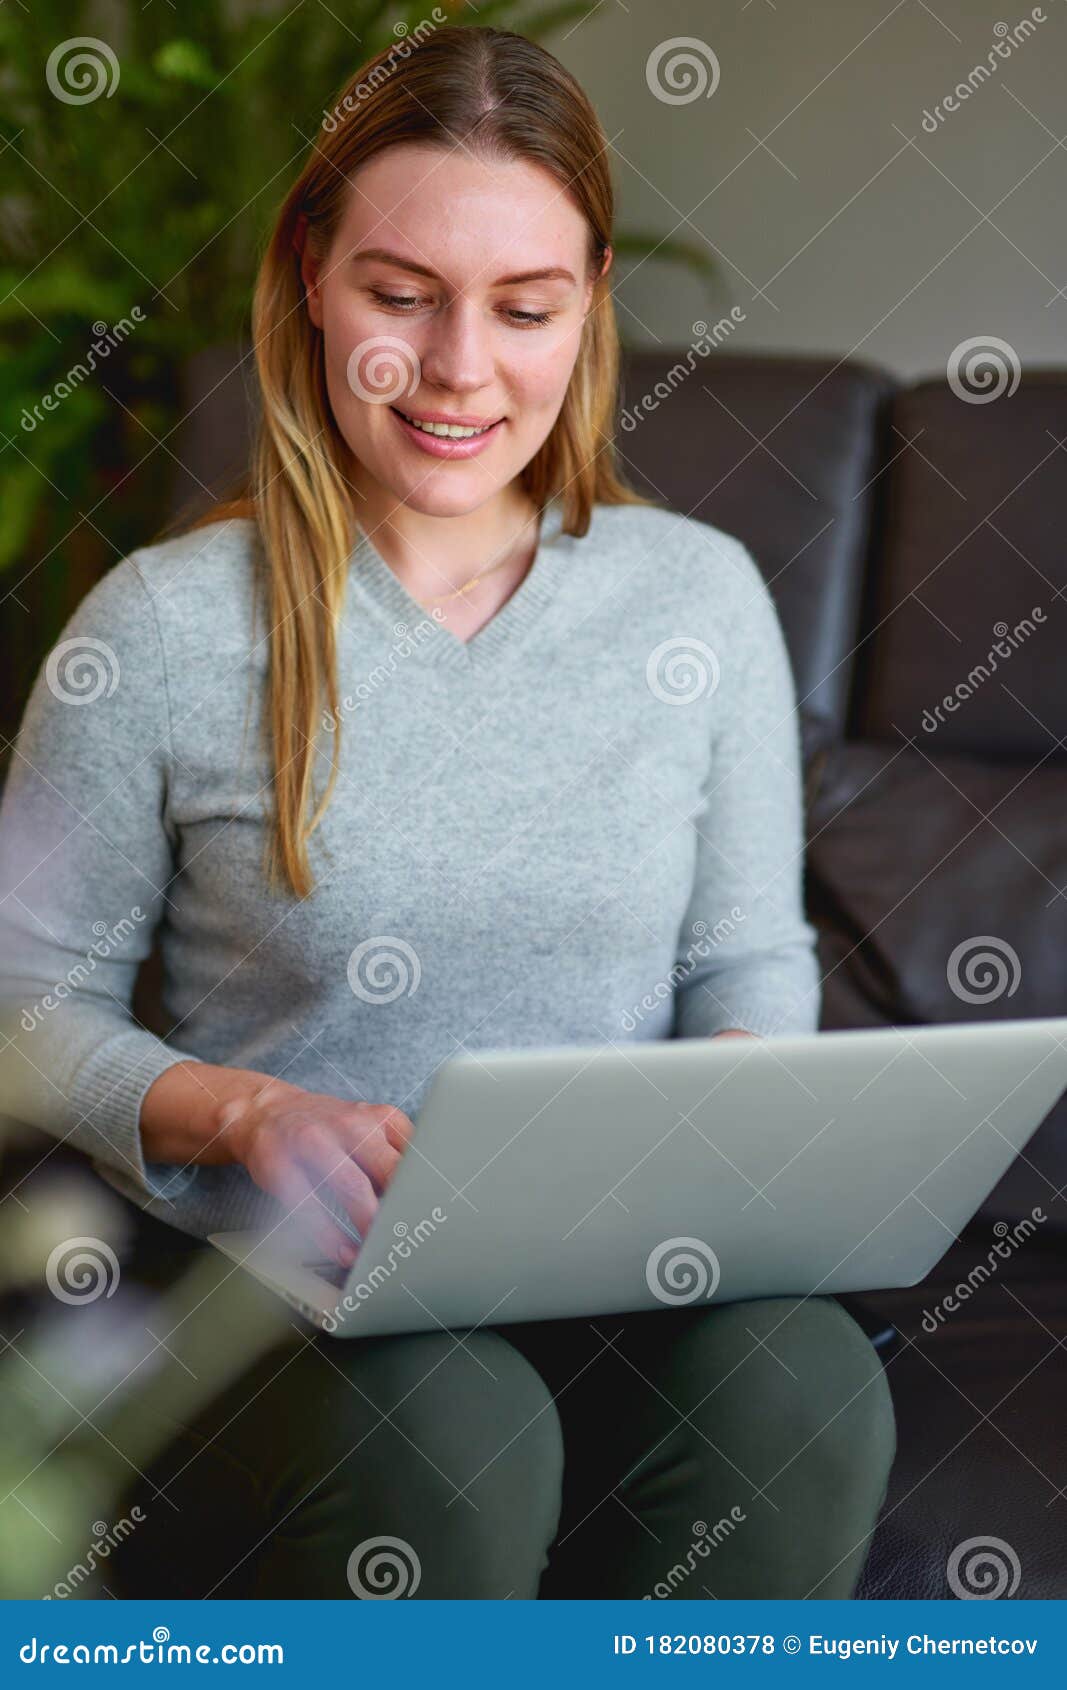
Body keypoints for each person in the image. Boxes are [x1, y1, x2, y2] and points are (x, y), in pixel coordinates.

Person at [0, 25, 894, 1598]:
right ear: (312, 279)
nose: (463, 367)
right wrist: (243, 1110)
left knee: (806, 1383)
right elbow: (22, 1006)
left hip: (631, 1266)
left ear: (592, 300)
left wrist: (744, 1096)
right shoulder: (162, 626)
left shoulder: (699, 597)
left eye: (526, 306)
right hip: (296, 1302)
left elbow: (749, 956)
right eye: (401, 296)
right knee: (450, 1420)